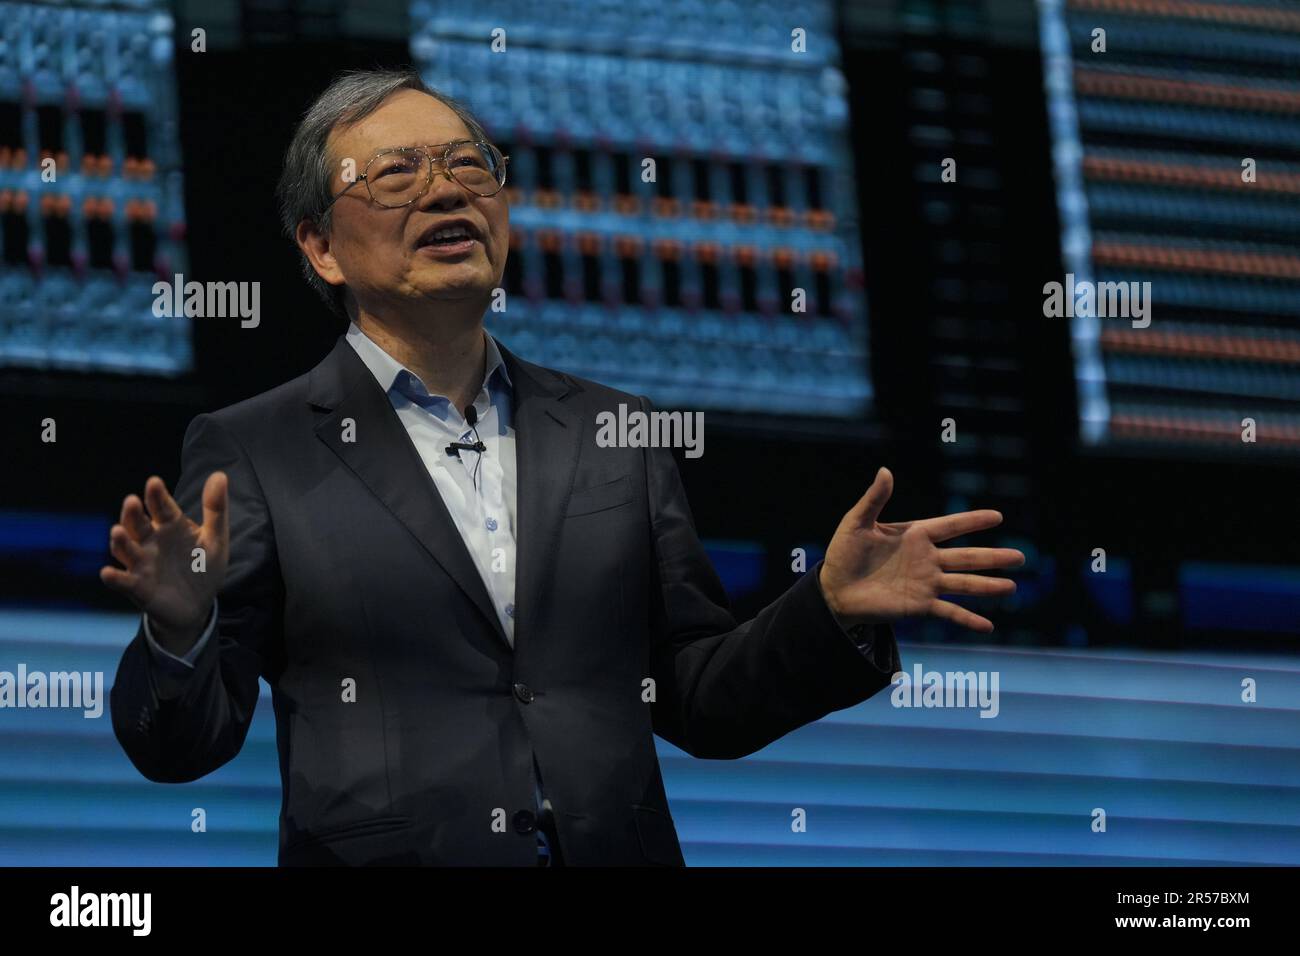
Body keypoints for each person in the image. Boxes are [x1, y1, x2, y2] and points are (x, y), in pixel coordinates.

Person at [102, 68, 1025, 866]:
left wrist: (824, 613)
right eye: (396, 176)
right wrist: (181, 630)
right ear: (321, 246)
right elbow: (182, 747)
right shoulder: (257, 448)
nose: (445, 191)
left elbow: (701, 698)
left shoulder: (615, 430)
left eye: (469, 166)